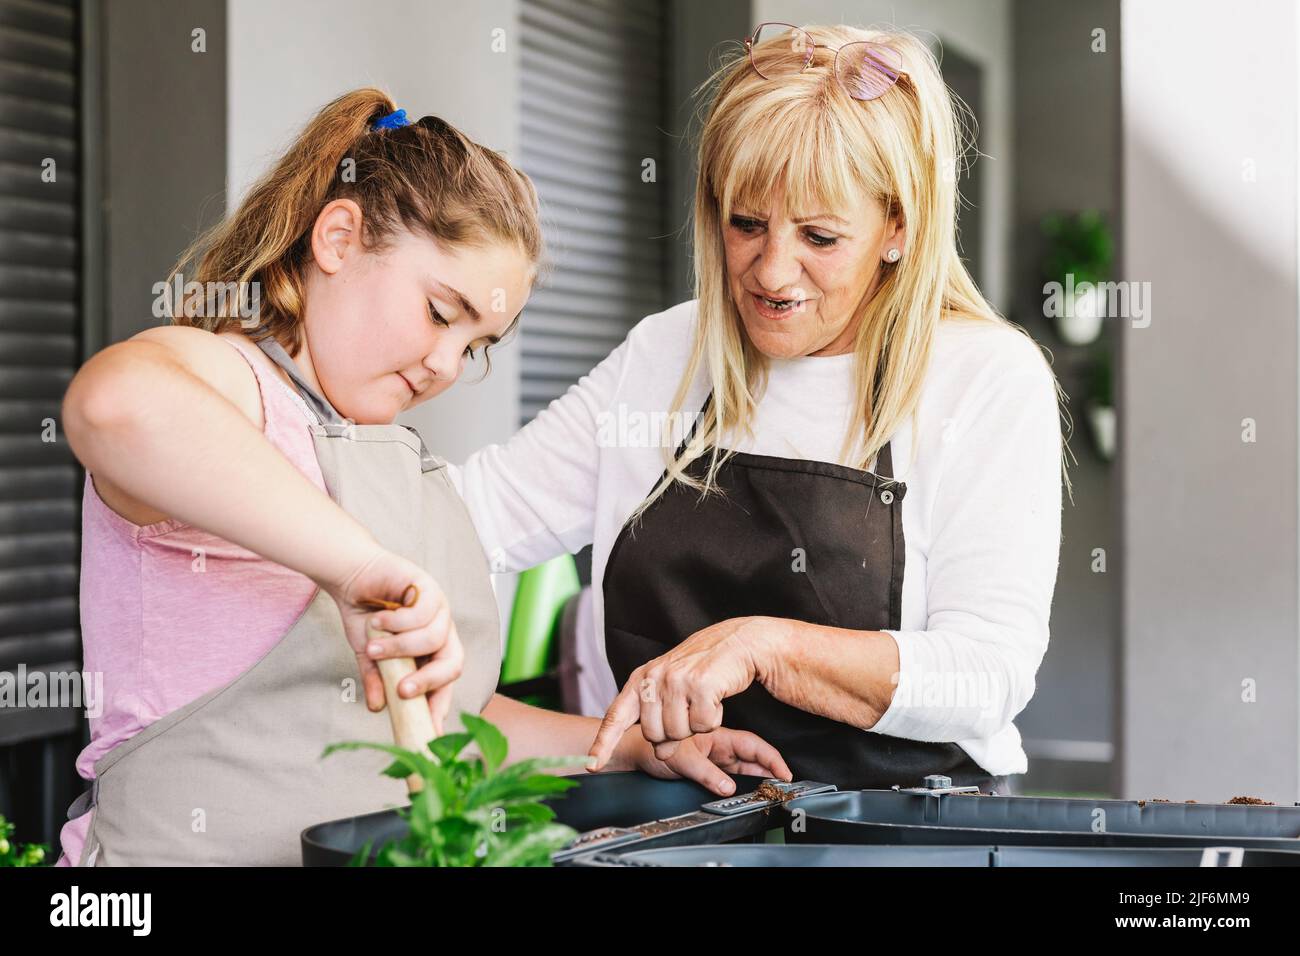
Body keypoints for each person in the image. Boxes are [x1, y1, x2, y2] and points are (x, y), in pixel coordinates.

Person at [56, 89, 787, 866]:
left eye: (477, 345)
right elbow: (112, 407)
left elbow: (438, 726)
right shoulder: (231, 383)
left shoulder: (396, 461)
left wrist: (624, 746)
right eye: (442, 313)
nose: (447, 365)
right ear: (338, 238)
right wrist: (357, 568)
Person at [452, 24, 1069, 794]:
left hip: (902, 831)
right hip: (687, 820)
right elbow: (470, 520)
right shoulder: (666, 355)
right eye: (746, 223)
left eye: (820, 235)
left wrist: (766, 647)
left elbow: (988, 673)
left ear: (899, 228)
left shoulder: (982, 377)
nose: (773, 270)